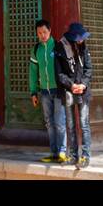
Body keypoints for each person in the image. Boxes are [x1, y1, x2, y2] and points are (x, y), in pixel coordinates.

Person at [28, 19, 66, 164]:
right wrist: (33, 92)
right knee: (49, 123)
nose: (42, 35)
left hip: (58, 90)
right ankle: (53, 152)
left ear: (50, 31)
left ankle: (62, 151)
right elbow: (33, 72)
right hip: (44, 92)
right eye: (39, 33)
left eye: (45, 32)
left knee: (60, 122)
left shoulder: (57, 47)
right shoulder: (36, 49)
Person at [56, 21, 93, 169]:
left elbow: (89, 69)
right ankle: (72, 156)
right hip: (68, 91)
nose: (81, 40)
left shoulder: (83, 47)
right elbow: (59, 73)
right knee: (70, 125)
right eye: (79, 38)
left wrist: (83, 84)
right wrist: (71, 85)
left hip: (83, 91)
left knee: (84, 125)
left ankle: (85, 156)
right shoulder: (60, 47)